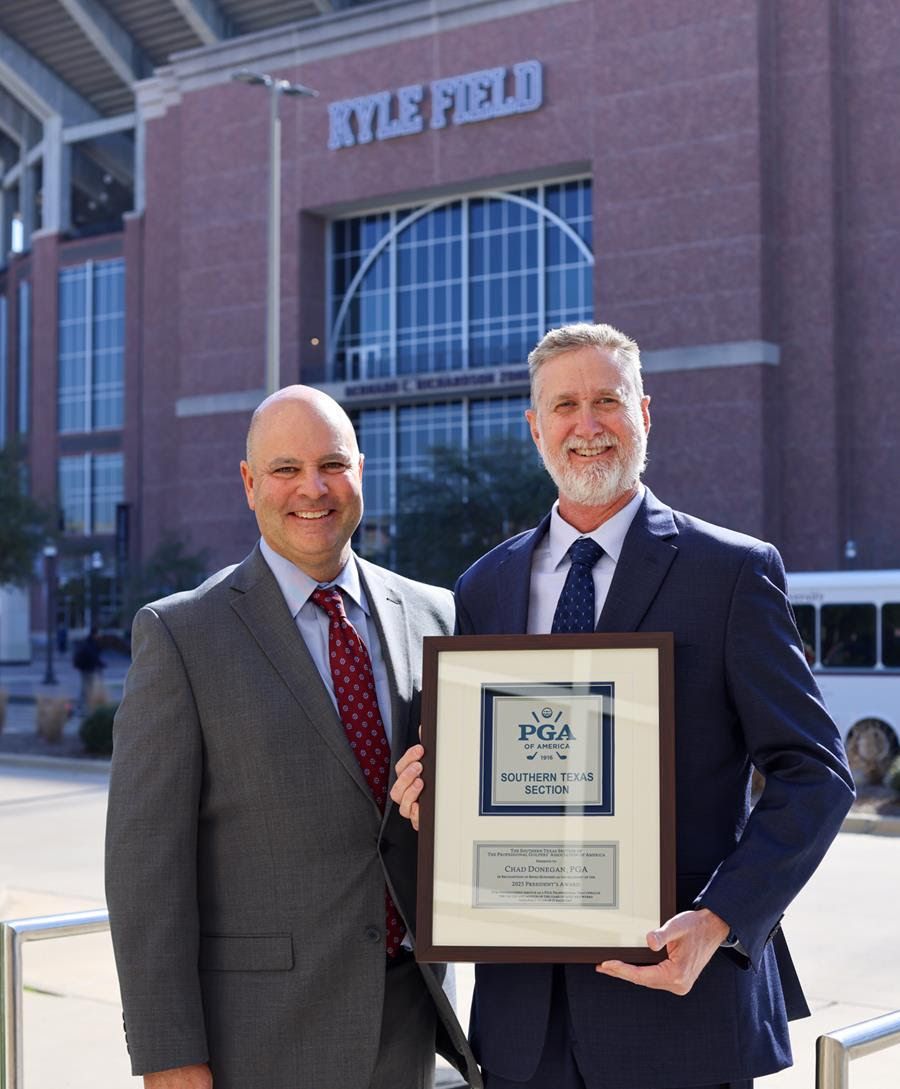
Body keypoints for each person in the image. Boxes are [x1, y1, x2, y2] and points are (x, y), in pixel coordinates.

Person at [392, 322, 854, 1089]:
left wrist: (719, 920)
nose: (588, 424)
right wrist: (434, 799)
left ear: (644, 411)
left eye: (607, 400)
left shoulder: (732, 572)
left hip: (680, 1008)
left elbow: (816, 773)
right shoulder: (483, 587)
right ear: (535, 427)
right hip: (523, 1028)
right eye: (565, 405)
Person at [106, 386, 480, 1089]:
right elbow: (143, 869)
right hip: (258, 1040)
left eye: (332, 464)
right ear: (250, 484)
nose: (312, 488)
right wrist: (166, 1051)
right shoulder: (182, 636)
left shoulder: (439, 615)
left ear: (361, 470)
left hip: (410, 1029)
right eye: (285, 469)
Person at [72, 626, 104, 711]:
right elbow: (93, 656)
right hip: (87, 669)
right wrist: (100, 664)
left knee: (87, 688)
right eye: (98, 634)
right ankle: (81, 707)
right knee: (86, 689)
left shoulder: (90, 642)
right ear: (95, 634)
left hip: (87, 668)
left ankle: (83, 706)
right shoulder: (91, 643)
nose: (99, 635)